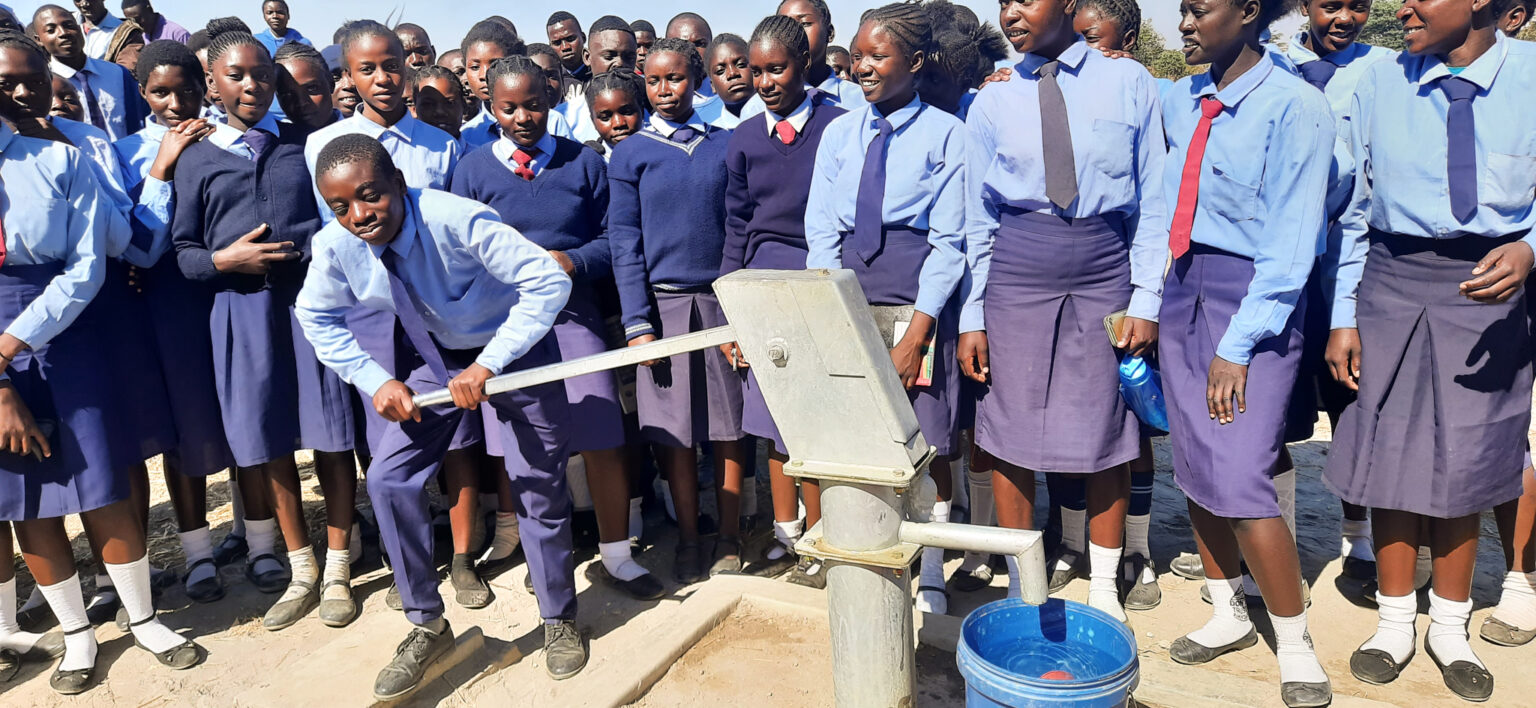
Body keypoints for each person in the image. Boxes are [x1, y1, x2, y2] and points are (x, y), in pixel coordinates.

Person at [296, 134, 588, 693]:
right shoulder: (336, 244)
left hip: (515, 351)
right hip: (437, 358)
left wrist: (492, 362)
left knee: (536, 486)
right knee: (387, 478)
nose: (359, 215)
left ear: (398, 184)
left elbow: (548, 279)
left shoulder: (458, 219)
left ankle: (559, 618)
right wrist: (374, 377)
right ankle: (426, 623)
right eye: (340, 206)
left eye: (370, 195)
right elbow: (315, 316)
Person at [1323, 0, 1536, 701]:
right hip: (1391, 281)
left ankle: (1449, 627)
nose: (1403, 6)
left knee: (1468, 457)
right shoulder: (1378, 84)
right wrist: (1343, 313)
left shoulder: (1533, 78)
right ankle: (1393, 622)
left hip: (1489, 294)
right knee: (1392, 450)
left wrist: (1531, 248)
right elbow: (1352, 206)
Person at [0, 27, 205, 695]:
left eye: (34, 77)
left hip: (65, 336)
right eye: (9, 81)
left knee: (100, 482)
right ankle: (78, 638)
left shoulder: (64, 158)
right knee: (25, 499)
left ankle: (143, 619)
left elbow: (96, 262)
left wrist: (10, 345)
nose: (24, 91)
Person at [959, 0, 1166, 624]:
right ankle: (1027, 583)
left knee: (1106, 425)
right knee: (1011, 429)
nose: (1012, 12)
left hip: (1105, 265)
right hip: (1019, 268)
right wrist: (972, 313)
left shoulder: (1129, 80)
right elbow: (976, 216)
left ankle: (1104, 583)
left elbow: (1153, 197)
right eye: (1004, 4)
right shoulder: (991, 100)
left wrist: (1146, 297)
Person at [1158, 0, 1335, 706]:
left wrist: (1237, 347)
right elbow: (1159, 201)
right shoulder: (1184, 99)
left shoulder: (1296, 107)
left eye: (1200, 9)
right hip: (1184, 288)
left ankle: (1294, 642)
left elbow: (1292, 245)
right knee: (1196, 464)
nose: (1187, 24)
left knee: (1241, 474)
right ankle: (1227, 611)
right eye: (1184, 10)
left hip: (1253, 304)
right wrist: (1152, 300)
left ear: (1250, 11)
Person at [449, 55, 663, 600]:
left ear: (552, 100)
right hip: (507, 328)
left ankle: (616, 556)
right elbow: (460, 252)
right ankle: (545, 558)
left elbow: (614, 241)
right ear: (490, 107)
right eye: (509, 107)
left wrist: (571, 261)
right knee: (527, 449)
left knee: (602, 437)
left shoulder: (584, 163)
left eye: (535, 105)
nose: (524, 117)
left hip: (574, 318)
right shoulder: (472, 170)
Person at [172, 27, 362, 632]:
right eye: (236, 75)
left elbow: (335, 219)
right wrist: (224, 261)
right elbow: (183, 250)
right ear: (213, 85)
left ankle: (337, 568)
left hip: (310, 309)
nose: (251, 85)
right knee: (270, 440)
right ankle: (299, 566)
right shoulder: (195, 159)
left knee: (331, 435)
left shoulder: (300, 147)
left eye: (261, 74)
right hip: (241, 314)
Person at [805, 3, 965, 613]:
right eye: (859, 54)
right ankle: (858, 554)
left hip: (913, 291)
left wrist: (918, 333)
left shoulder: (947, 134)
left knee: (924, 437)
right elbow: (821, 223)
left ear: (915, 62)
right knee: (856, 432)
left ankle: (930, 570)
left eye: (878, 55)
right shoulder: (840, 132)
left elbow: (953, 240)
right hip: (848, 288)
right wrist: (828, 303)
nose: (863, 67)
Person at [609, 36, 749, 583]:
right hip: (663, 308)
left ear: (698, 80)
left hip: (722, 303)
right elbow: (625, 242)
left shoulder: (726, 144)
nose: (665, 90)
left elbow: (740, 225)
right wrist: (637, 324)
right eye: (654, 81)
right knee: (675, 431)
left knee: (729, 425)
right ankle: (689, 536)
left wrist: (741, 306)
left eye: (676, 78)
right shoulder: (631, 152)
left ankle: (731, 536)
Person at [719, 15, 847, 584]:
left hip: (822, 279)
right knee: (774, 419)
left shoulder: (841, 127)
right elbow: (735, 225)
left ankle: (824, 541)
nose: (766, 82)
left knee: (819, 420)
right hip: (764, 285)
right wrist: (733, 312)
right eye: (757, 70)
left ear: (804, 66)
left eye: (778, 69)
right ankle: (786, 534)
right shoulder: (744, 139)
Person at [35, 4, 147, 140]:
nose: (63, 33)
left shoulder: (118, 74)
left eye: (69, 25)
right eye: (51, 30)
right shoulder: (42, 87)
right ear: (38, 40)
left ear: (79, 28)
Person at [740, 0, 867, 120]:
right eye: (786, 27)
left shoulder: (862, 100)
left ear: (829, 33)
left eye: (804, 24)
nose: (796, 33)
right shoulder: (756, 109)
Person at [554, 15, 637, 144]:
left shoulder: (652, 111)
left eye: (629, 57)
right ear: (587, 57)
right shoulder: (564, 117)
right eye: (609, 56)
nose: (619, 63)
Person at [458, 19, 526, 151]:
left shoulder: (551, 122)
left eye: (495, 64)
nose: (484, 75)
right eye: (475, 67)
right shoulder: (466, 136)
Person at [275, 41, 341, 130]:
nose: (302, 103)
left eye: (312, 88)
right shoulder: (272, 140)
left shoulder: (360, 131)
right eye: (288, 94)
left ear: (331, 84)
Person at [581, 68, 644, 160]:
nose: (619, 123)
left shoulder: (662, 150)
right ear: (593, 121)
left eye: (627, 112)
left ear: (641, 110)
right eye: (605, 117)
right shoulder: (591, 162)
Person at [697, 33, 751, 129]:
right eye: (720, 71)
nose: (732, 73)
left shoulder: (781, 118)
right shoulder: (712, 135)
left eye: (741, 64)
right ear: (712, 85)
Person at [665, 12, 714, 101]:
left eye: (700, 44)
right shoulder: (656, 98)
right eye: (682, 45)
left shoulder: (727, 96)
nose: (693, 51)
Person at [409, 64, 465, 140]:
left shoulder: (480, 150)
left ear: (463, 105)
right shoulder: (403, 151)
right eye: (428, 104)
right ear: (414, 108)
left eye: (449, 103)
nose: (440, 112)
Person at [546, 10, 589, 98]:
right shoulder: (550, 83)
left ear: (583, 38)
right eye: (557, 43)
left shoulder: (601, 72)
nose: (565, 47)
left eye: (570, 39)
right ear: (550, 46)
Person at [120, 0, 188, 44]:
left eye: (138, 19)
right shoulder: (139, 39)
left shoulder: (178, 34)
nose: (136, 24)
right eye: (131, 21)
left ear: (149, 10)